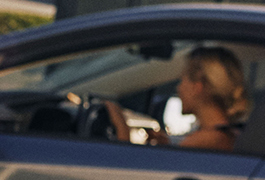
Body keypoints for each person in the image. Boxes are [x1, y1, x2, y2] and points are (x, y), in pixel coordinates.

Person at [107, 45, 250, 151]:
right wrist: (168, 147)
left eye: (183, 80)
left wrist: (122, 129)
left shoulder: (203, 142)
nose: (178, 88)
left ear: (197, 87)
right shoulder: (230, 136)